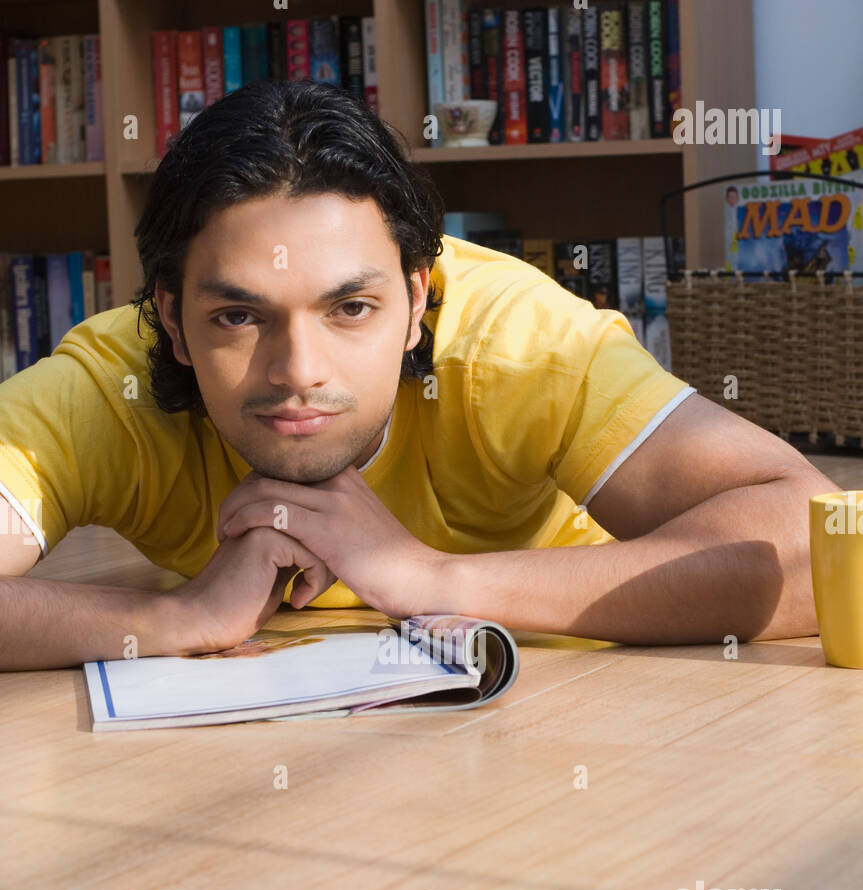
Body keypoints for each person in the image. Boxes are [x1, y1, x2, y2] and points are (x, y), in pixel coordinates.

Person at [0, 80, 834, 671]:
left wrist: (435, 576)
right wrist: (172, 617)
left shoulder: (519, 344)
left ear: (414, 302)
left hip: (569, 709)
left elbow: (808, 539)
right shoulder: (113, 386)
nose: (298, 373)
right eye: (239, 316)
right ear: (173, 320)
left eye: (350, 309)